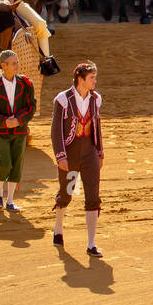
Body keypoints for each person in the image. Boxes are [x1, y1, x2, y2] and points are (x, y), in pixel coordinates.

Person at [51, 61, 105, 256]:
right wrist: (61, 156)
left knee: (93, 195)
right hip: (71, 155)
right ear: (80, 79)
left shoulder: (96, 99)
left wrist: (100, 152)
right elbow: (56, 131)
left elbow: (97, 128)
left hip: (89, 154)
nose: (95, 81)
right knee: (67, 192)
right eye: (92, 78)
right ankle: (58, 228)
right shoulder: (63, 99)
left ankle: (91, 244)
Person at [0, 49, 37, 211]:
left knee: (17, 164)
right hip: (1, 131)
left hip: (20, 131)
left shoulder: (26, 84)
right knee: (5, 162)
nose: (17, 66)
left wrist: (18, 120)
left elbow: (31, 107)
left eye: (17, 62)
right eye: (14, 63)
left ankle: (10, 200)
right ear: (3, 65)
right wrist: (4, 122)